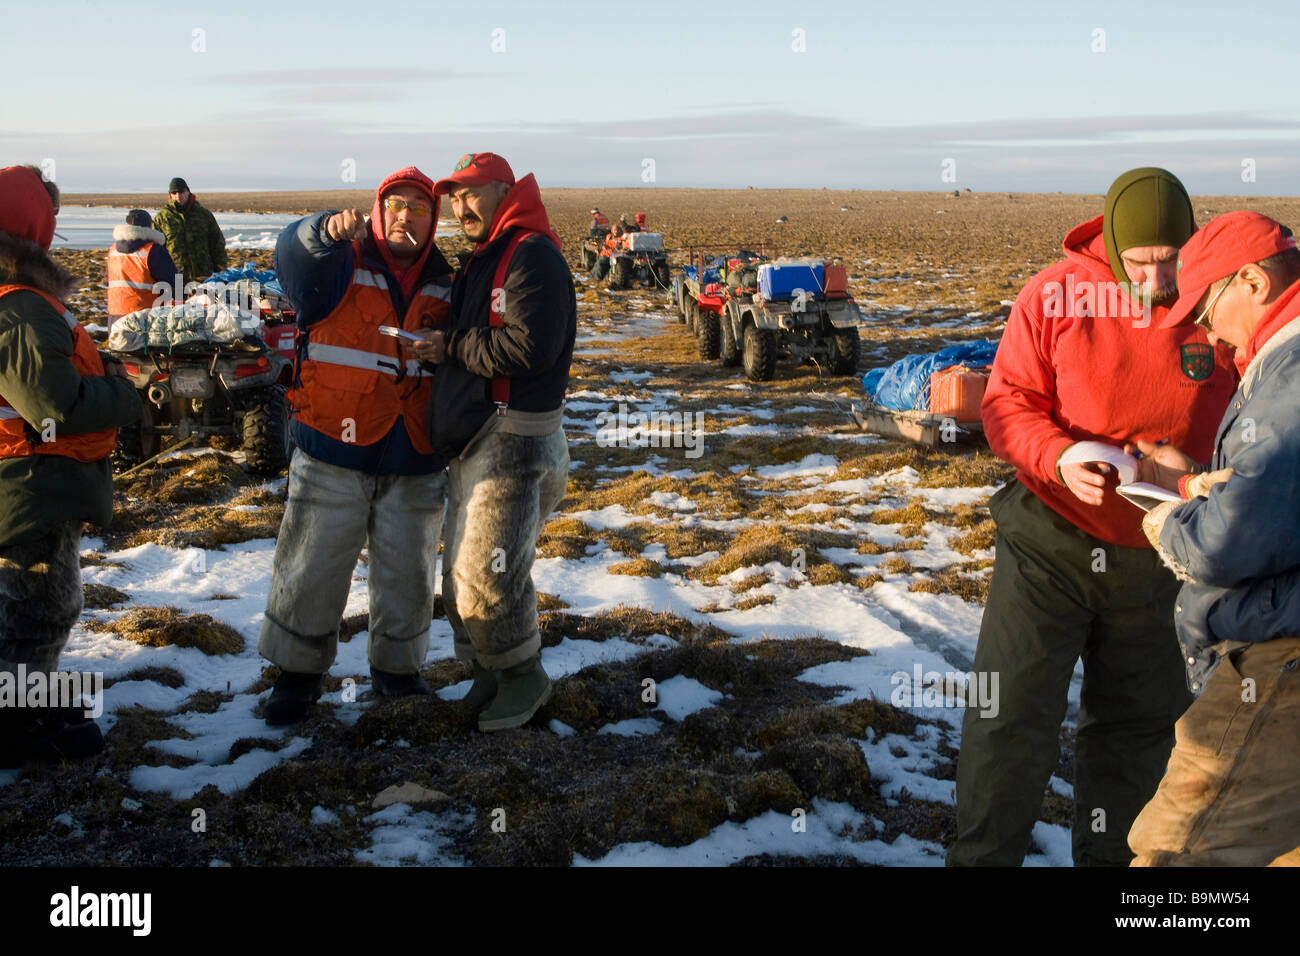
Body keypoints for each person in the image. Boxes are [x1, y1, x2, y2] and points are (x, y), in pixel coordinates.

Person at [948, 167, 1239, 867]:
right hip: (1048, 540)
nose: (1155, 279)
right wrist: (1060, 454)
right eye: (1138, 262)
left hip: (1162, 554)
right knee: (1010, 715)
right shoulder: (1053, 296)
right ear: (1109, 246)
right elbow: (1007, 403)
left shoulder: (1218, 303)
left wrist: (1193, 481)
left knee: (1139, 733)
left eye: (1169, 260)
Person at [1123, 211, 1300, 866]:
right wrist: (1197, 481)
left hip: (1279, 658)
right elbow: (1278, 496)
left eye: (1204, 312)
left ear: (1252, 281)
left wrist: (1168, 518)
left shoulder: (1292, 372)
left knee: (1179, 852)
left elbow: (1228, 545)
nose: (1207, 335)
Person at [257, 166, 454, 725]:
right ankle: (296, 677)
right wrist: (323, 230)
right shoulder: (339, 262)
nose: (406, 216)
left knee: (408, 572)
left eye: (419, 207)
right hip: (332, 446)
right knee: (312, 564)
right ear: (377, 211)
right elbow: (291, 258)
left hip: (414, 452)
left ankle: (398, 672)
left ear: (433, 219)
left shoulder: (448, 283)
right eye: (395, 205)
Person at [414, 152, 574, 732]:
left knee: (489, 570)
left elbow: (530, 347)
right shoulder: (489, 255)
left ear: (505, 191)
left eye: (472, 193)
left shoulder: (531, 255)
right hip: (481, 439)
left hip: (516, 442)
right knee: (460, 569)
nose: (461, 206)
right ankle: (488, 669)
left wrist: (450, 346)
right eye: (454, 197)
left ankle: (523, 676)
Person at [0, 164, 141, 765]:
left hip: (28, 480)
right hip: (32, 484)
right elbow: (57, 406)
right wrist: (125, 392)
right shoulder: (20, 308)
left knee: (23, 603)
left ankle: (27, 703)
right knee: (39, 607)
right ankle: (18, 728)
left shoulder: (17, 303)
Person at [106, 209, 177, 327]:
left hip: (116, 313)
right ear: (149, 226)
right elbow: (172, 279)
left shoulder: (113, 250)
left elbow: (108, 277)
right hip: (145, 315)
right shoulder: (153, 250)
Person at [154, 177, 227, 282]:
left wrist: (221, 267)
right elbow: (156, 249)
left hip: (204, 275)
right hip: (177, 276)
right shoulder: (162, 219)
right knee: (178, 293)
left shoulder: (203, 214)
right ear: (170, 195)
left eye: (181, 192)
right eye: (174, 193)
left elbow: (217, 241)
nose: (178, 195)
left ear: (188, 192)